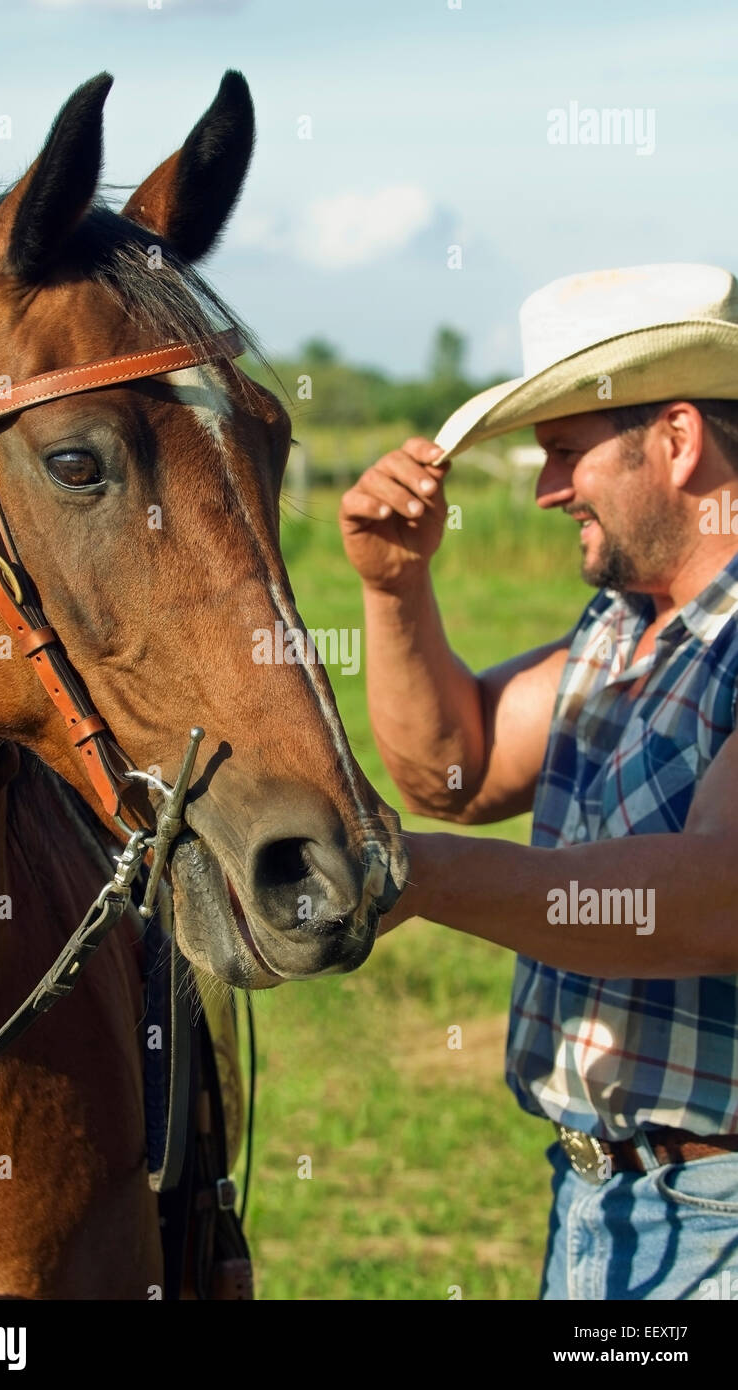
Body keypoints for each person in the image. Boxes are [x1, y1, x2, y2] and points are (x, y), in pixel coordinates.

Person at [339, 263, 738, 1301]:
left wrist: (417, 878)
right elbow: (453, 769)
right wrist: (392, 587)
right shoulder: (621, 626)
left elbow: (710, 898)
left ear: (677, 440)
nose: (545, 489)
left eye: (564, 453)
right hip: (599, 1200)